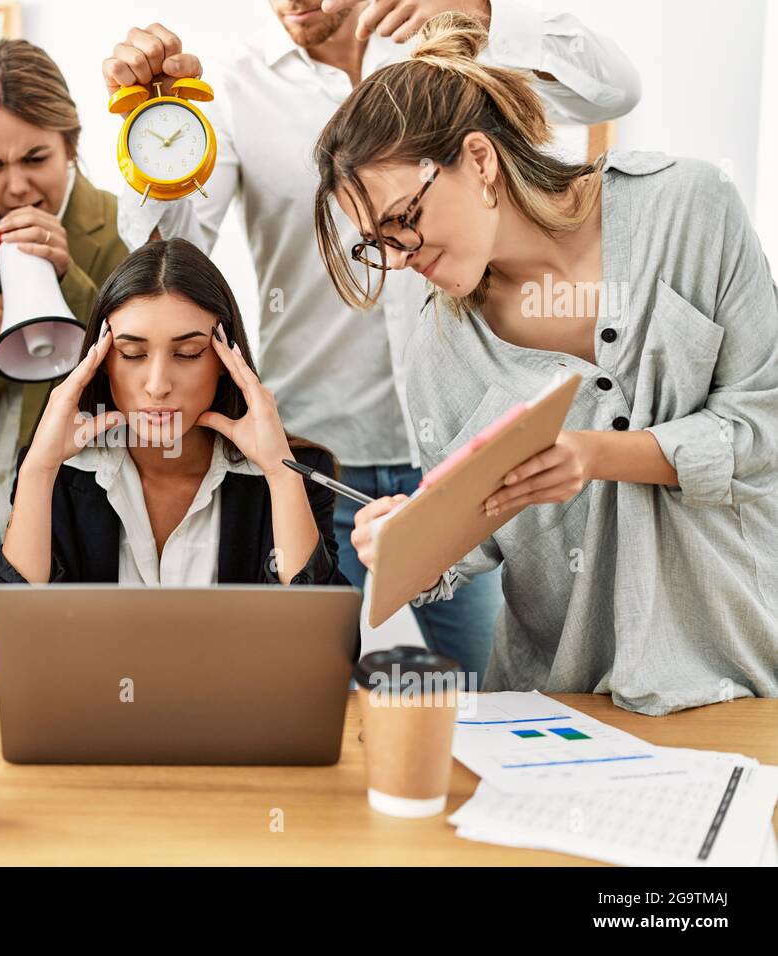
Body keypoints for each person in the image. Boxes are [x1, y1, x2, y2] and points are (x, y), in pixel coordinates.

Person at [101, 0, 642, 683]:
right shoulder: (236, 86)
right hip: (322, 460)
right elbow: (167, 255)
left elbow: (613, 91)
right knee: (299, 689)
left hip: (460, 452)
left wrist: (483, 10)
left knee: (486, 700)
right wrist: (149, 128)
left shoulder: (446, 46)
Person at [317, 14, 778, 716]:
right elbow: (475, 544)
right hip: (561, 708)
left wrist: (595, 453)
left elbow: (763, 428)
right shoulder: (436, 349)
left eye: (404, 218)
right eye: (377, 243)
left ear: (478, 160)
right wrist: (410, 536)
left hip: (745, 679)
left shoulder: (689, 209)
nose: (402, 257)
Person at [0, 239, 348, 678]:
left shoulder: (290, 477)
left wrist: (280, 475)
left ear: (228, 361)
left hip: (237, 737)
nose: (157, 385)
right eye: (132, 353)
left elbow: (327, 657)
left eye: (188, 353)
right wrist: (38, 469)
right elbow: (3, 658)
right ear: (101, 362)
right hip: (94, 732)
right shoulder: (60, 473)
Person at [0, 39, 129, 682]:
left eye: (36, 157)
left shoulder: (124, 229)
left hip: (79, 541)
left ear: (71, 141)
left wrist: (66, 285)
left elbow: (143, 383)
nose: (15, 185)